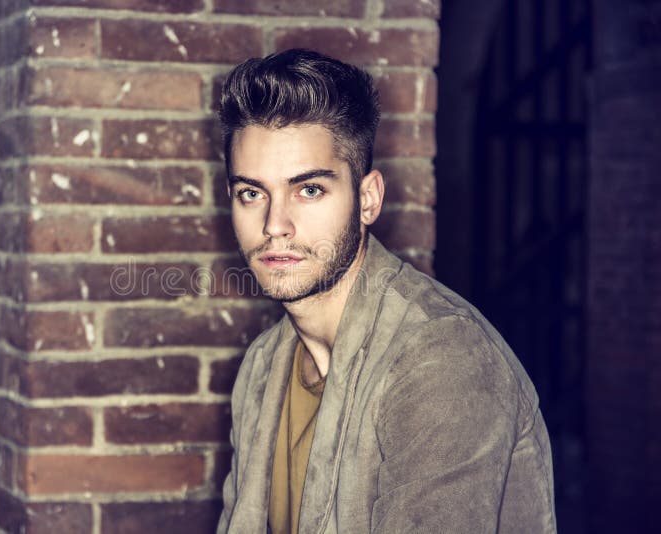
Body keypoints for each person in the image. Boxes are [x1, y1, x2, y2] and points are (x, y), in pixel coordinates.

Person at [216, 49, 556, 534]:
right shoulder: (264, 365)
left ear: (368, 199)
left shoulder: (441, 359)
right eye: (251, 193)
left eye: (308, 189)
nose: (274, 225)